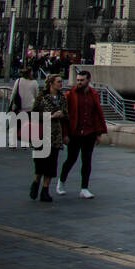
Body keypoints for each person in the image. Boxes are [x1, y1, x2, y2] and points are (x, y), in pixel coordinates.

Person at [57, 70, 107, 197]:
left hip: (89, 132)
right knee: (71, 159)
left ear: (88, 80)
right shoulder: (70, 95)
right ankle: (61, 182)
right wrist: (65, 134)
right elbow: (65, 117)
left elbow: (97, 113)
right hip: (75, 133)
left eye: (82, 80)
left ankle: (84, 188)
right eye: (78, 80)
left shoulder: (94, 94)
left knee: (87, 160)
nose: (79, 82)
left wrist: (98, 133)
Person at [30, 74, 67, 202]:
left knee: (51, 165)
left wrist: (62, 114)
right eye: (59, 82)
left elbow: (66, 114)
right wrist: (50, 116)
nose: (61, 84)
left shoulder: (62, 98)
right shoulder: (42, 96)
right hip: (42, 134)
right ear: (51, 83)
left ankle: (45, 190)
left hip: (56, 136)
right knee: (40, 164)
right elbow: (34, 114)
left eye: (61, 81)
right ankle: (36, 182)